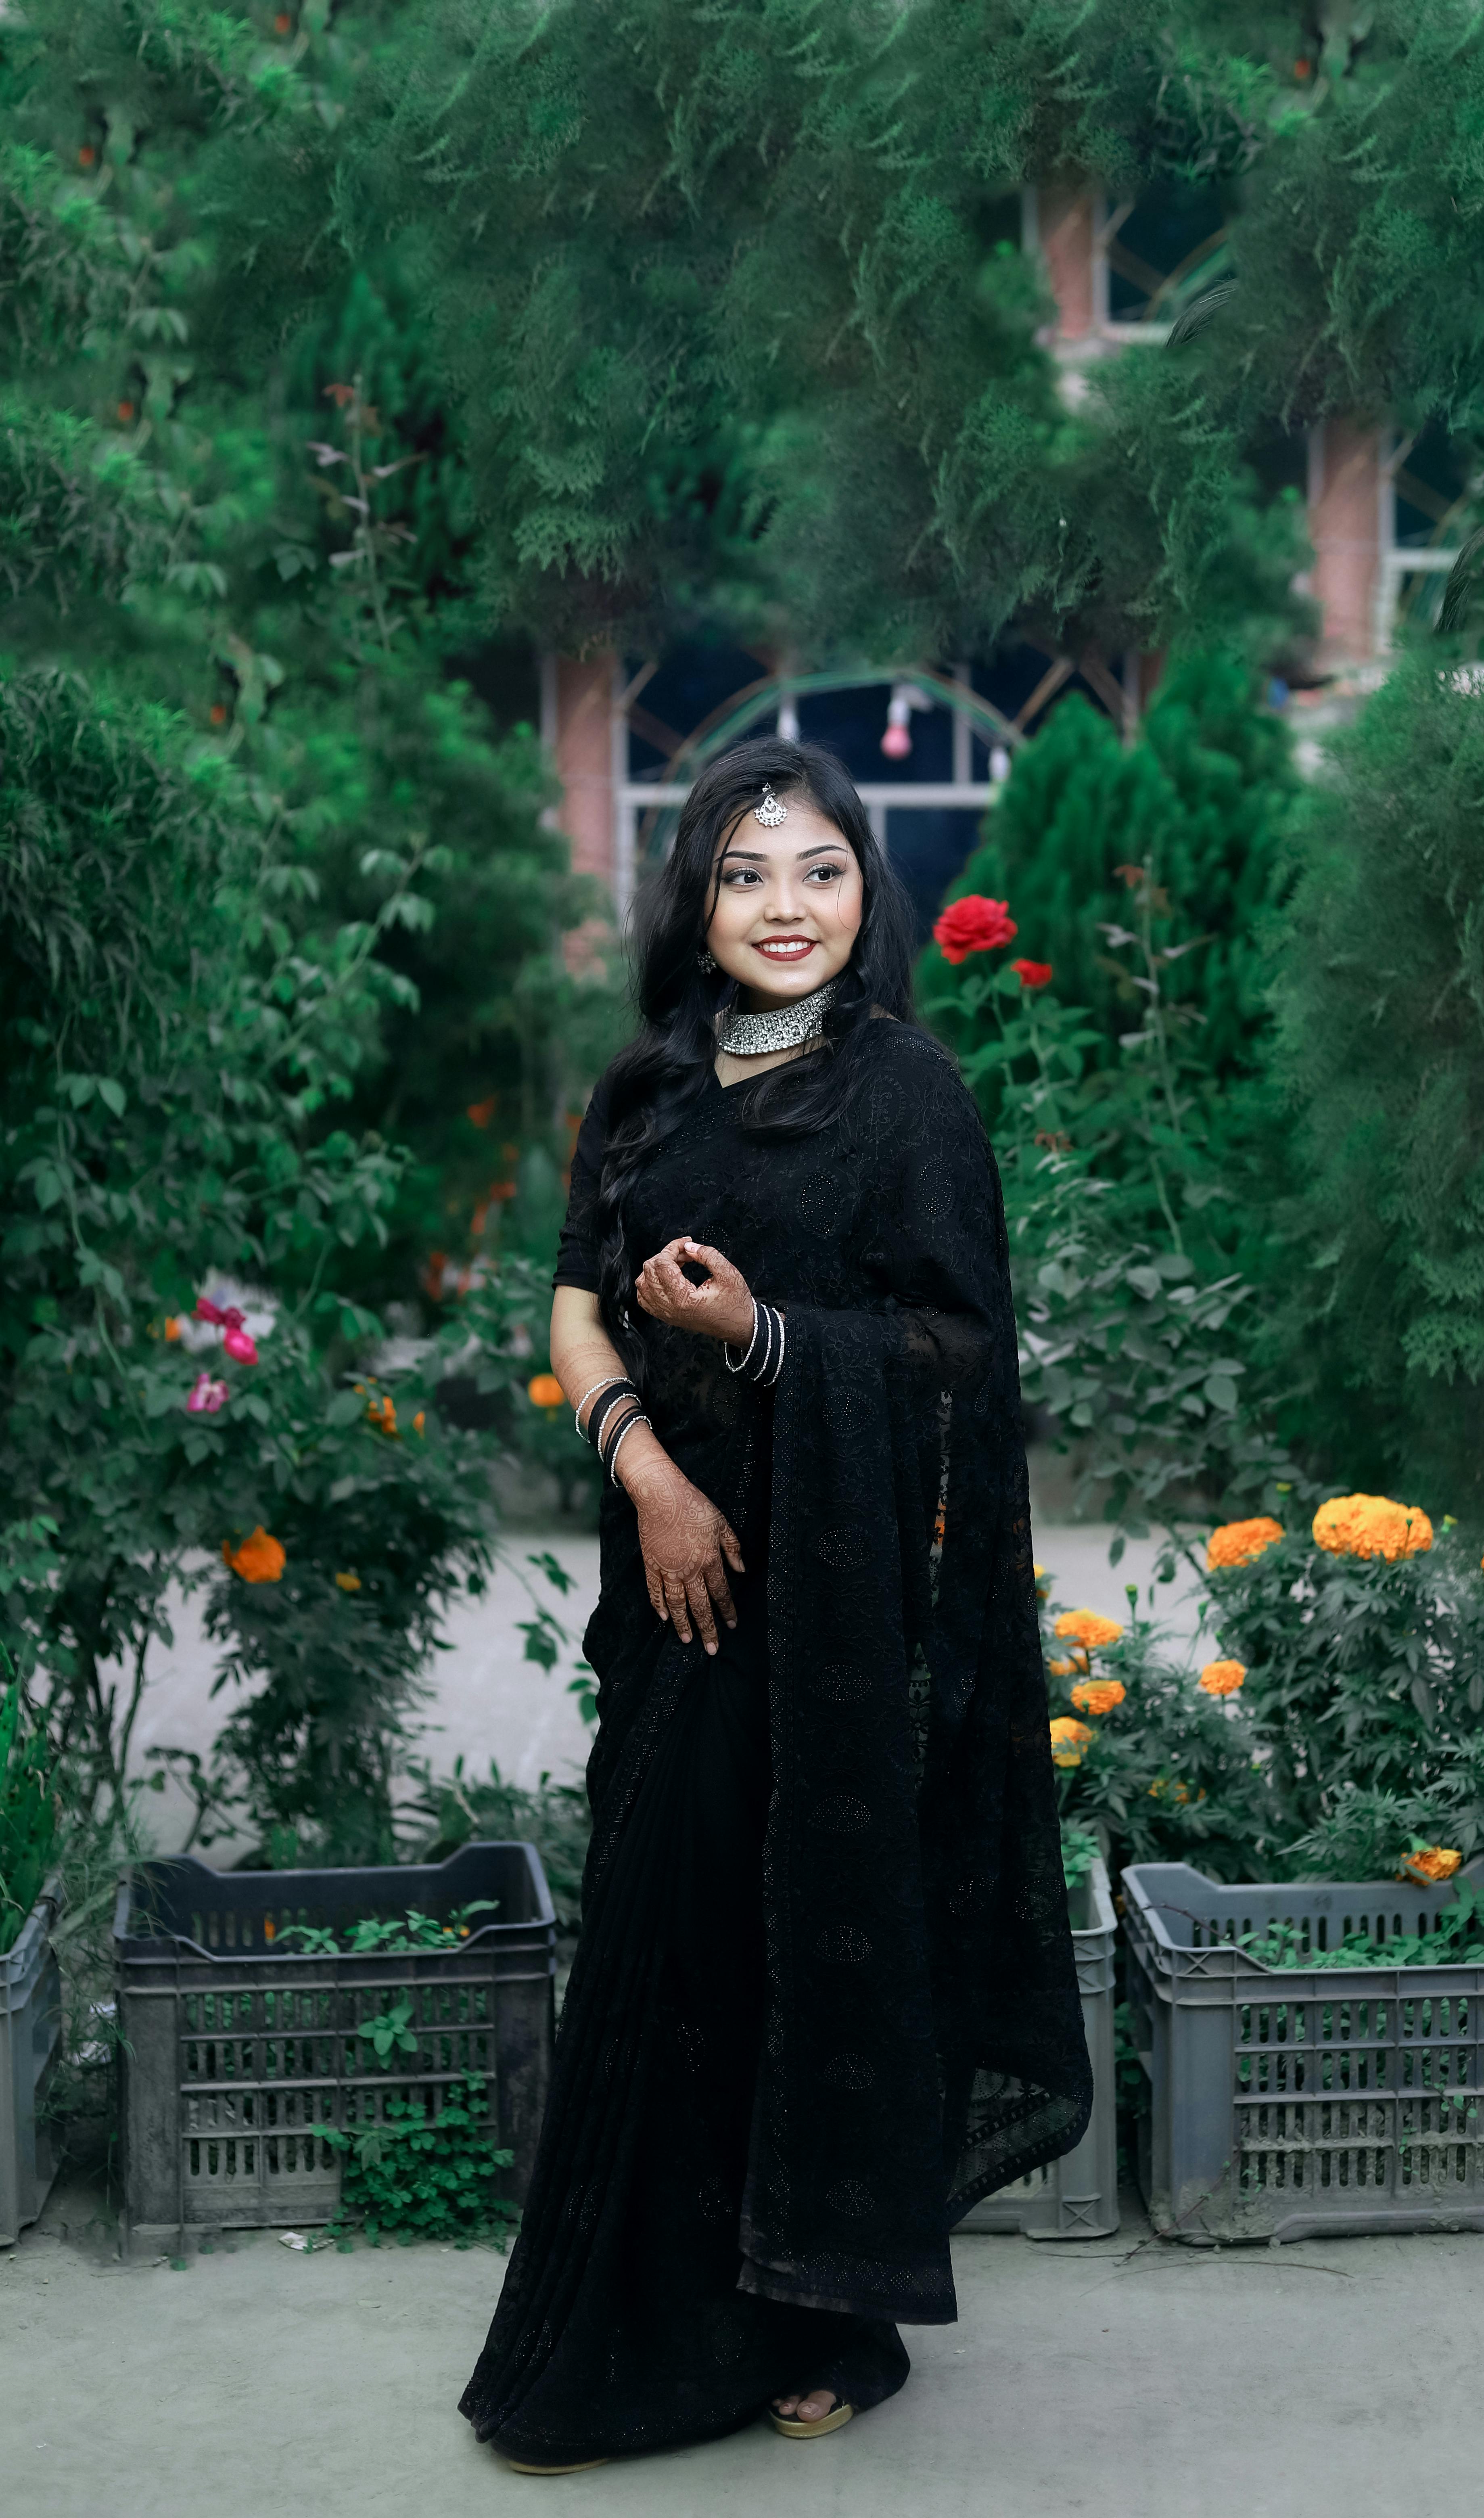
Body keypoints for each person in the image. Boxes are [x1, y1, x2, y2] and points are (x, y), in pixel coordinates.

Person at [460, 736, 1090, 2474]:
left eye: (820, 869)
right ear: (697, 898)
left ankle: (829, 2323)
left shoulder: (905, 1094)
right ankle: (636, 2329)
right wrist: (647, 1472)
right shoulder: (644, 1089)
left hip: (827, 1600)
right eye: (745, 873)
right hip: (669, 1575)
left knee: (801, 1929)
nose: (785, 905)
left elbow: (961, 1350)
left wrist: (762, 1338)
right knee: (662, 1924)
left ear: (868, 888)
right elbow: (576, 1305)